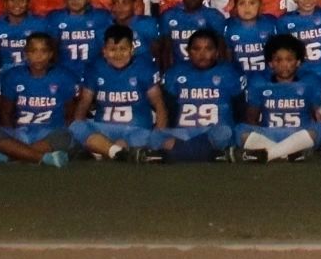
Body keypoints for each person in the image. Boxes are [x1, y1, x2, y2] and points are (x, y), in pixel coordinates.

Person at [72, 24, 164, 160]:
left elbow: (159, 104)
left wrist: (158, 135)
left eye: (123, 49)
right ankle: (119, 153)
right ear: (104, 51)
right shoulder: (95, 67)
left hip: (135, 129)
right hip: (102, 129)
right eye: (112, 49)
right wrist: (78, 125)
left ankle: (106, 151)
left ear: (132, 49)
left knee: (143, 138)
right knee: (76, 127)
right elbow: (84, 102)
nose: (118, 54)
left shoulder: (144, 67)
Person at [158, 28, 242, 162]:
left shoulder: (229, 73)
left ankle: (177, 153)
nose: (202, 54)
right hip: (184, 132)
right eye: (196, 49)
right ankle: (216, 155)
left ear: (216, 52)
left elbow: (239, 108)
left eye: (208, 49)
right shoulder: (176, 72)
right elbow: (169, 108)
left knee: (225, 133)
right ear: (188, 51)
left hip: (215, 132)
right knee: (155, 136)